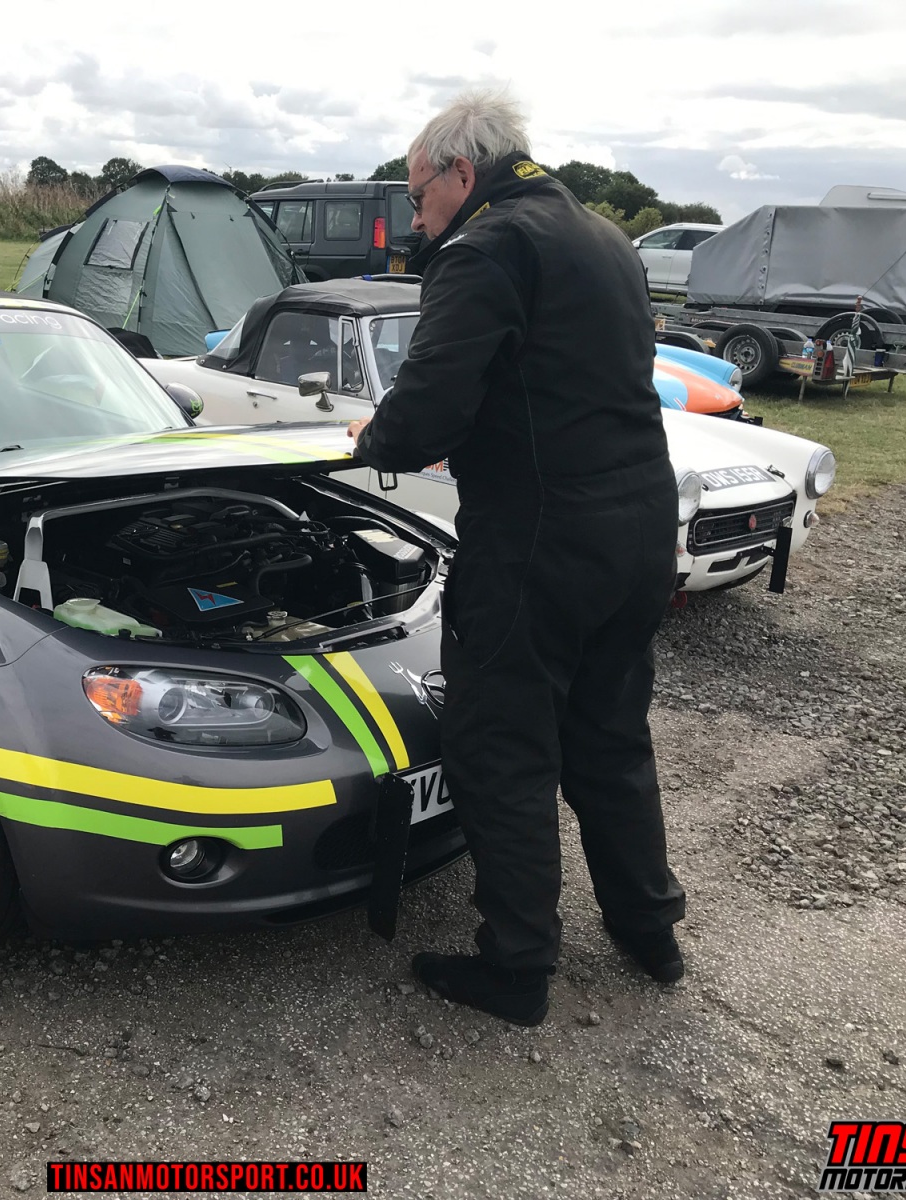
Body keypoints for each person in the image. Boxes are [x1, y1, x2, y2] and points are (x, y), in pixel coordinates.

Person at [348, 88, 686, 1026]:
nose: (416, 218)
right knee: (612, 738)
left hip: (541, 539)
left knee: (502, 745)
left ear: (463, 173)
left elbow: (423, 409)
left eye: (419, 198)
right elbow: (559, 375)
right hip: (638, 530)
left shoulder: (488, 245)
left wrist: (372, 438)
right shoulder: (606, 237)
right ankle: (650, 932)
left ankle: (516, 966)